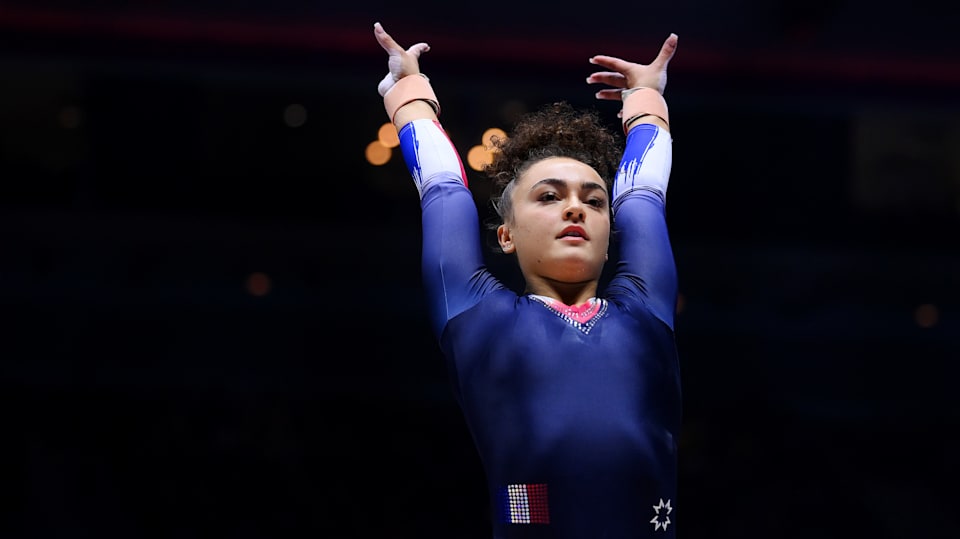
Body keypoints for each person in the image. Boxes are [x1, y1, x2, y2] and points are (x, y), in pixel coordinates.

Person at [374, 21, 681, 538]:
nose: (575, 209)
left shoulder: (645, 309)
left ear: (612, 237)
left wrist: (647, 99)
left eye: (594, 201)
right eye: (549, 196)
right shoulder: (478, 317)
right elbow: (442, 189)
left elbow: (645, 196)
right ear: (507, 235)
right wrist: (409, 90)